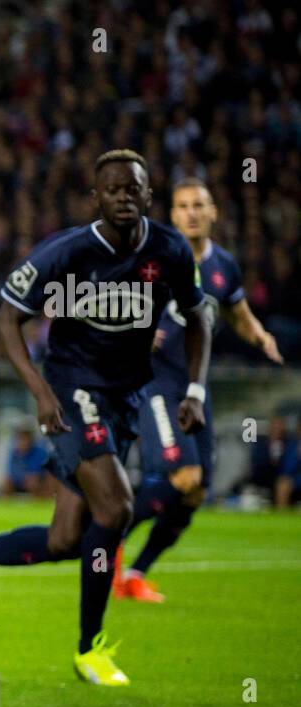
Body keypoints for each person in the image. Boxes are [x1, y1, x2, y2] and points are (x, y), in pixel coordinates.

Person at [0, 150, 214, 686]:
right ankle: (89, 649)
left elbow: (198, 317)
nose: (122, 197)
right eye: (111, 190)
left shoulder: (168, 249)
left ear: (147, 195)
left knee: (65, 540)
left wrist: (195, 389)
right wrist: (42, 393)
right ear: (96, 198)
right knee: (115, 508)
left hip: (125, 398)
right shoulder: (66, 253)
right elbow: (6, 320)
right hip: (73, 388)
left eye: (131, 189)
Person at [113, 178, 284, 602]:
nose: (191, 212)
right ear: (172, 215)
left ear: (213, 213)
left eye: (199, 205)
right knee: (183, 476)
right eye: (183, 205)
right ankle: (110, 533)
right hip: (155, 383)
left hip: (194, 388)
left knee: (197, 492)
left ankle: (134, 574)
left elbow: (238, 313)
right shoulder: (154, 257)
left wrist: (261, 337)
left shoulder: (223, 265)